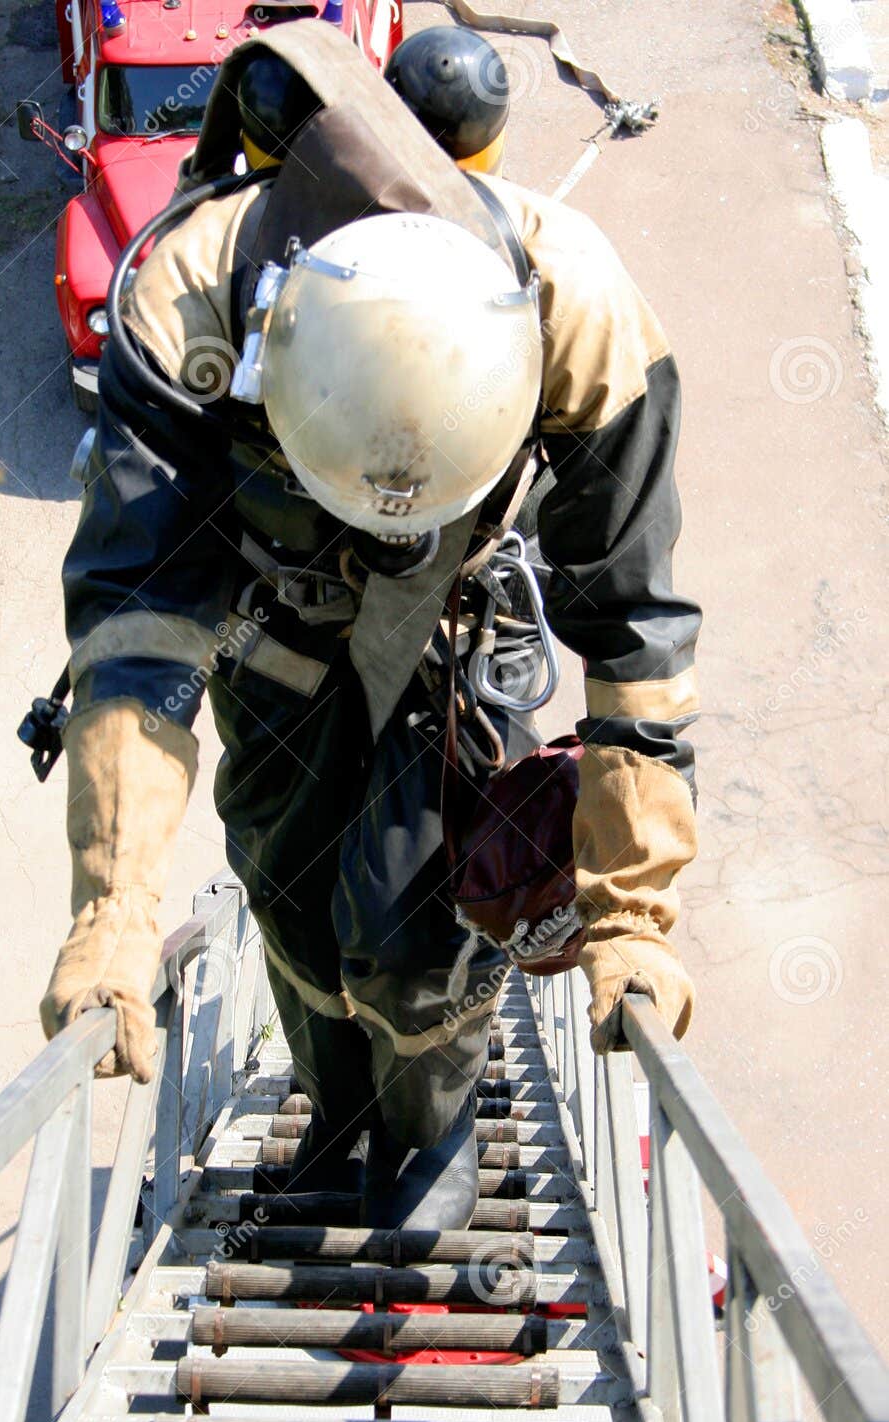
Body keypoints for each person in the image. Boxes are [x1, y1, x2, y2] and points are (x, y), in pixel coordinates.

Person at [38, 21, 701, 1231]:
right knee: (286, 891)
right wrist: (115, 905)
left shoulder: (573, 300)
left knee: (428, 925)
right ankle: (337, 1112)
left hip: (460, 636)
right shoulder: (194, 297)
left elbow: (632, 633)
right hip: (270, 638)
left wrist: (628, 910)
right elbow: (140, 619)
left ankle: (427, 1125)